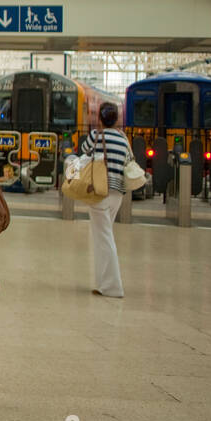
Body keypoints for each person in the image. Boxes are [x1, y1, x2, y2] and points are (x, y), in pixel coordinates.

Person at [81, 102, 130, 299]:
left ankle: (113, 286)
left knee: (104, 237)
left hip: (99, 191)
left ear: (100, 119)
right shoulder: (123, 138)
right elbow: (127, 161)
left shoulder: (96, 136)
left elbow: (84, 152)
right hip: (117, 193)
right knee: (103, 235)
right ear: (116, 118)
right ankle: (103, 283)